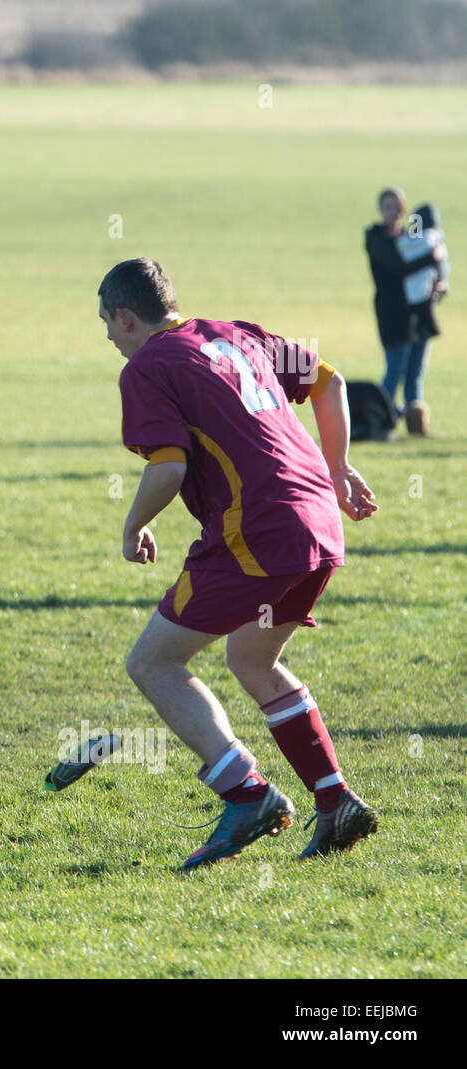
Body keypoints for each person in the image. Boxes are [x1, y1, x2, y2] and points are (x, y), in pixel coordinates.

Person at [101, 257, 380, 870]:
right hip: (317, 519)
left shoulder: (148, 365)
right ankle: (334, 801)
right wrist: (336, 471)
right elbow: (330, 384)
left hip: (259, 527)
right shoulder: (236, 333)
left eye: (110, 331)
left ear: (126, 317)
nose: (114, 346)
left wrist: (133, 523)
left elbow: (168, 467)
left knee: (153, 662)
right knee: (252, 659)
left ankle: (247, 795)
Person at [365, 187, 446, 434]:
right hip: (393, 313)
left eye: (396, 207)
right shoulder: (376, 237)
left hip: (419, 313)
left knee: (415, 372)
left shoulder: (412, 235)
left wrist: (438, 283)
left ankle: (416, 425)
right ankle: (380, 423)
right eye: (387, 207)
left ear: (403, 209)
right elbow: (398, 267)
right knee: (395, 370)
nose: (392, 212)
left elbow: (430, 268)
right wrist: (433, 256)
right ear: (381, 209)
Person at [395, 201, 450, 435]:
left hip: (405, 313)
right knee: (415, 371)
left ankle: (389, 419)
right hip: (424, 312)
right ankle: (412, 423)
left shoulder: (403, 241)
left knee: (398, 370)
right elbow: (442, 278)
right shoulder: (434, 240)